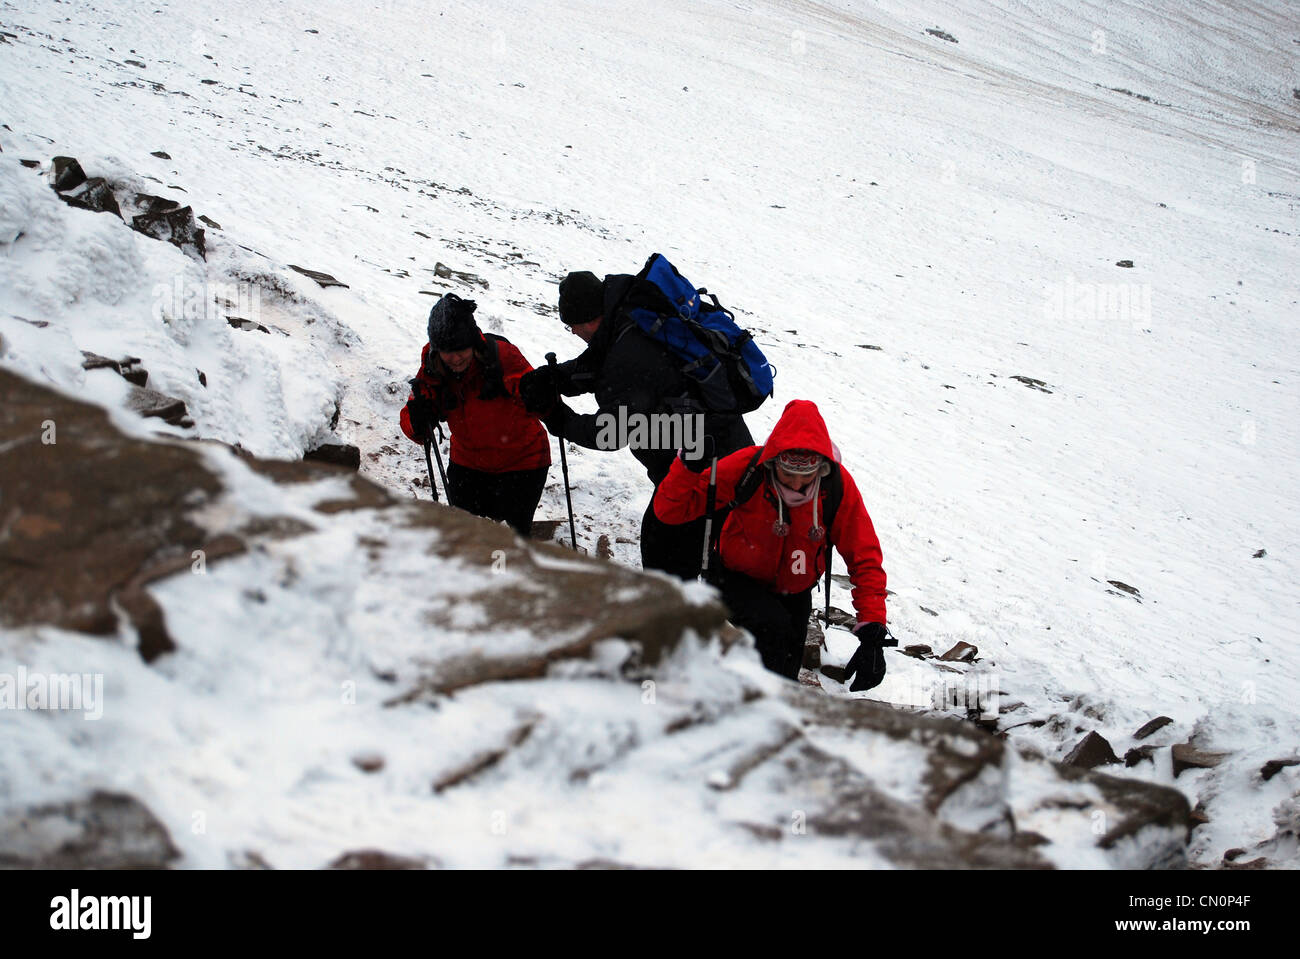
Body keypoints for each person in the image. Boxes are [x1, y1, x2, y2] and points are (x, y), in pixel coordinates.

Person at [518, 269, 753, 579]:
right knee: (680, 553)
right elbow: (599, 367)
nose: (573, 333)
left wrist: (558, 418)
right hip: (714, 454)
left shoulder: (629, 352)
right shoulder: (629, 321)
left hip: (706, 472)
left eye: (571, 326)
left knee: (670, 559)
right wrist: (554, 378)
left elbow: (612, 432)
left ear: (588, 320)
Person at [652, 398, 891, 688]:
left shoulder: (837, 486)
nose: (795, 484)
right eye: (787, 473)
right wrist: (687, 466)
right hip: (733, 577)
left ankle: (765, 714)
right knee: (773, 633)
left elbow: (863, 554)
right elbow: (670, 510)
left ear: (822, 467)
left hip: (795, 589)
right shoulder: (748, 468)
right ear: (773, 460)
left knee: (786, 666)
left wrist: (873, 631)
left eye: (805, 476)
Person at [399, 293, 551, 537]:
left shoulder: (502, 357)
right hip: (468, 464)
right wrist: (417, 422)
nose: (456, 358)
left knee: (509, 540)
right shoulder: (432, 370)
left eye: (461, 349)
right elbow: (411, 417)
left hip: (522, 463)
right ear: (437, 350)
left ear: (472, 342)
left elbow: (536, 394)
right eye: (448, 351)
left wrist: (540, 395)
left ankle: (503, 573)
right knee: (465, 535)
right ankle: (475, 574)